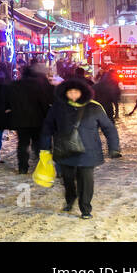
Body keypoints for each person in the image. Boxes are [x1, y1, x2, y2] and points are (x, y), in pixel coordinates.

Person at [40, 78, 121, 219]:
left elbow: (109, 128)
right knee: (68, 180)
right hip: (65, 150)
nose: (72, 95)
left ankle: (85, 208)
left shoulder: (94, 107)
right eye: (70, 92)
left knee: (86, 180)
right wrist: (45, 148)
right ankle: (70, 199)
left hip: (88, 151)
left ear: (82, 92)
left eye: (75, 92)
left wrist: (114, 147)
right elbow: (47, 128)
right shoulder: (57, 108)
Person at [8, 62, 54, 174]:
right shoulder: (39, 85)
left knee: (22, 144)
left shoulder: (15, 85)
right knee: (38, 143)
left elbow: (10, 102)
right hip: (37, 120)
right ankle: (40, 165)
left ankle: (23, 167)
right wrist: (47, 116)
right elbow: (44, 103)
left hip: (20, 121)